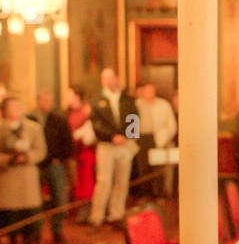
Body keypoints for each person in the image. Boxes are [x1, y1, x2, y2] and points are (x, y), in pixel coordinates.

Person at [0, 96, 47, 244]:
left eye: (19, 106)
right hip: (6, 179)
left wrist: (27, 157)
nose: (16, 110)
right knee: (10, 217)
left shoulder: (33, 128)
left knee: (29, 217)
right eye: (12, 107)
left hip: (27, 179)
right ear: (4, 109)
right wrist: (8, 159)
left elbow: (41, 150)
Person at [88, 68, 138, 227]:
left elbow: (134, 118)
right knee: (104, 181)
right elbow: (96, 124)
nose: (108, 81)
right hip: (106, 145)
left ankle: (116, 214)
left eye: (111, 77)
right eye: (105, 78)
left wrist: (128, 136)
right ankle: (96, 217)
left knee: (122, 181)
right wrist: (111, 137)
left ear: (117, 79)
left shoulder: (127, 99)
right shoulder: (97, 100)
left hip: (125, 144)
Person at [28, 91, 73, 244]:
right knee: (35, 201)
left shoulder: (58, 120)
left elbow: (67, 142)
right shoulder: (29, 119)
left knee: (59, 198)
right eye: (46, 100)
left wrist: (57, 158)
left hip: (54, 164)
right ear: (38, 100)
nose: (49, 103)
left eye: (51, 100)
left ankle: (57, 230)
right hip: (34, 165)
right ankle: (36, 231)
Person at [133, 83, 177, 198]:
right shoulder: (136, 105)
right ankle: (145, 196)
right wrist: (133, 140)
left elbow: (172, 126)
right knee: (143, 169)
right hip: (141, 139)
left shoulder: (163, 105)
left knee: (158, 169)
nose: (149, 94)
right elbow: (130, 126)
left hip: (158, 139)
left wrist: (163, 138)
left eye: (151, 91)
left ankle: (159, 195)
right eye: (147, 91)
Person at [65, 85, 97, 222]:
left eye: (69, 94)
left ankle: (87, 213)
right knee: (74, 184)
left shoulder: (87, 111)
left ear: (76, 96)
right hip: (72, 154)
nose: (66, 97)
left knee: (87, 184)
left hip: (87, 153)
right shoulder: (66, 113)